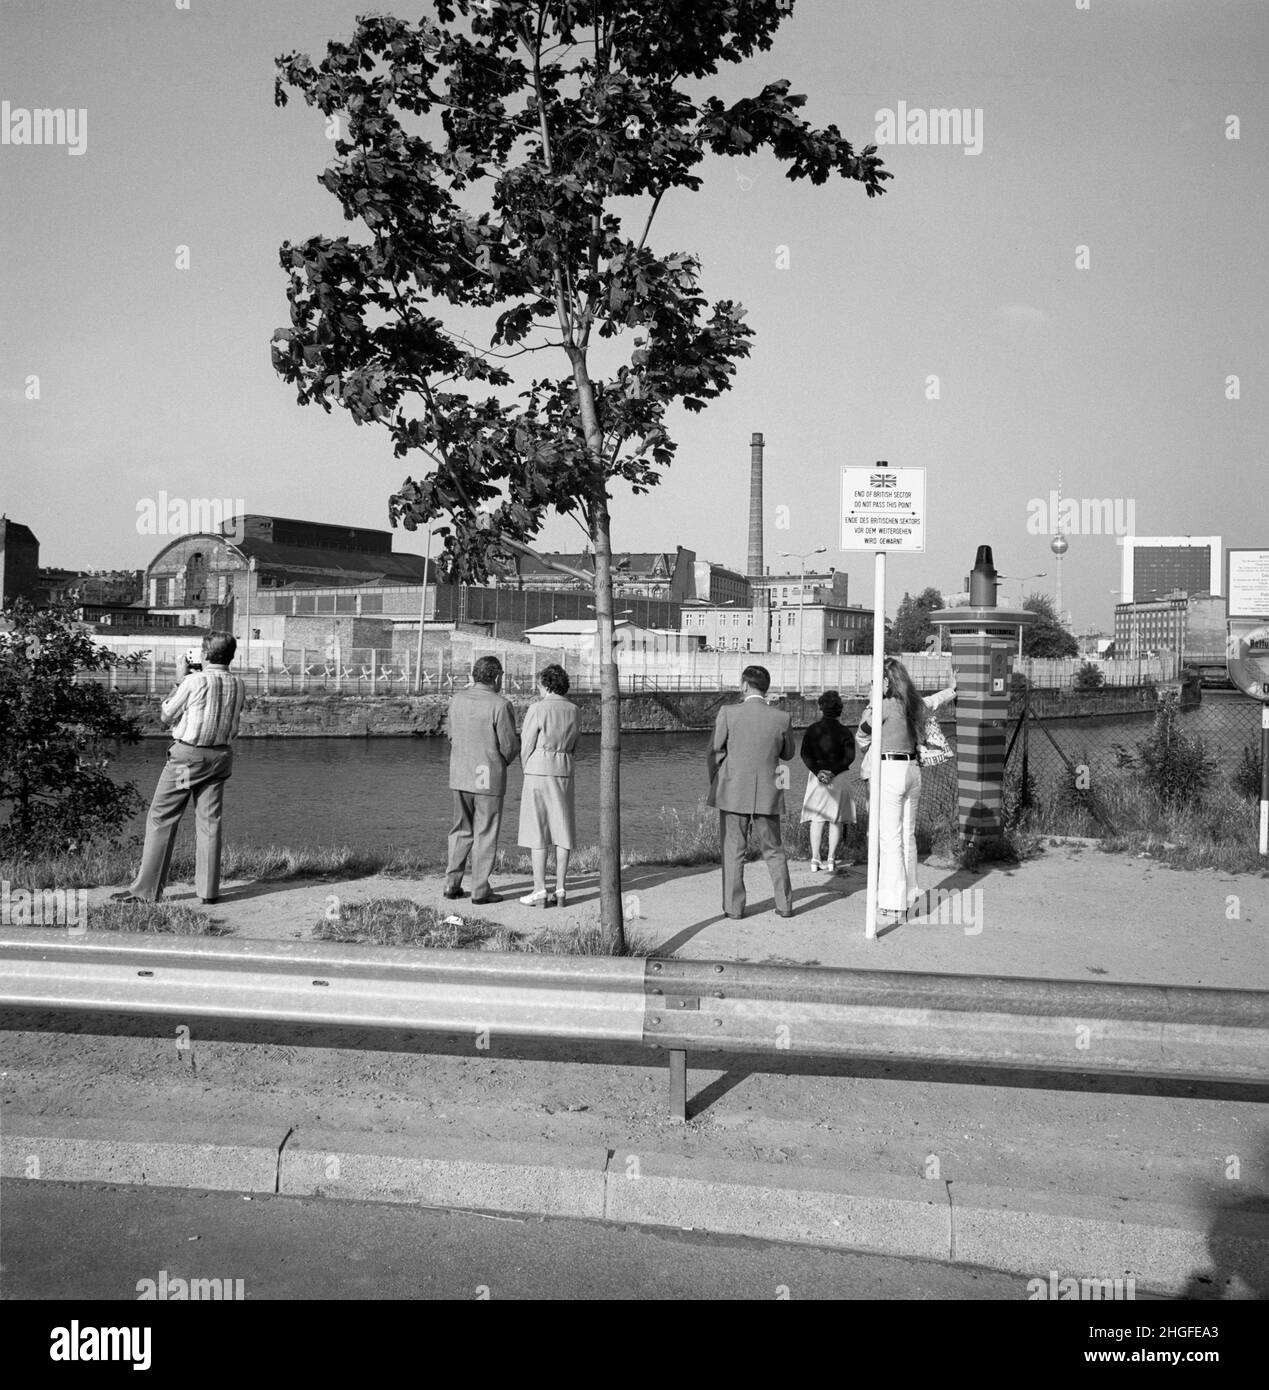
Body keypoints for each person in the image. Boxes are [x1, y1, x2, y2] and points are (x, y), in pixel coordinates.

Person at [111, 632, 247, 905]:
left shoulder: (193, 681)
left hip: (188, 762)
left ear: (205, 654)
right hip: (219, 759)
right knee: (209, 822)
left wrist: (179, 678)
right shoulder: (239, 683)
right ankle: (208, 892)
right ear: (230, 656)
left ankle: (146, 890)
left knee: (164, 817)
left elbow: (166, 715)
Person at [856, 657, 957, 924]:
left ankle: (892, 901)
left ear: (886, 681)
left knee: (890, 837)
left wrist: (871, 702)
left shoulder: (884, 706)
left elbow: (862, 735)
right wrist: (953, 689)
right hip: (913, 769)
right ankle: (910, 894)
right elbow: (934, 701)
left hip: (889, 770)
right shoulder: (913, 704)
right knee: (907, 836)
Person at [706, 664, 796, 920]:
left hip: (733, 791)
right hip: (769, 792)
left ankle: (734, 908)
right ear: (766, 689)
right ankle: (785, 904)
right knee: (775, 850)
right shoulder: (782, 717)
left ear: (744, 685)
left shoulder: (728, 713)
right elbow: (788, 754)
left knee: (734, 851)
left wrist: (718, 779)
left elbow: (714, 751)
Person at [444, 655, 520, 905]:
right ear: (497, 677)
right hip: (487, 775)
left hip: (460, 774)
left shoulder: (457, 699)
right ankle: (479, 890)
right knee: (485, 832)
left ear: (473, 675)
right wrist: (501, 763)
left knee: (461, 829)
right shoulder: (500, 704)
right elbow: (509, 745)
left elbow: (451, 736)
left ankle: (451, 884)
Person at [517, 663, 580, 908]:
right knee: (563, 830)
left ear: (545, 684)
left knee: (538, 831)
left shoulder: (537, 708)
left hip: (538, 769)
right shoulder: (575, 710)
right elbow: (576, 742)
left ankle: (539, 888)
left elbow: (526, 744)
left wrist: (527, 767)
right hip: (564, 767)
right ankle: (561, 888)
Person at [799, 690, 856, 873]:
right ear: (840, 710)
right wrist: (833, 772)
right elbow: (850, 757)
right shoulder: (845, 731)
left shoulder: (812, 730)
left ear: (821, 708)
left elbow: (805, 754)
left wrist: (818, 772)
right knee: (835, 819)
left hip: (818, 778)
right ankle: (831, 859)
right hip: (838, 778)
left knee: (817, 819)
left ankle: (815, 859)